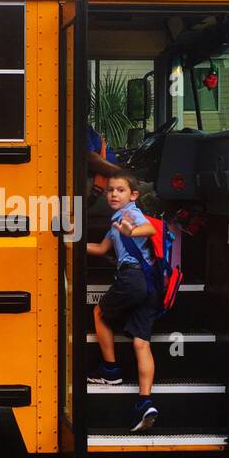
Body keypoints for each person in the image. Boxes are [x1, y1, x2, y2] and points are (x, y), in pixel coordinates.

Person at [86, 169, 161, 433]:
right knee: (141, 343)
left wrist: (132, 231)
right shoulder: (116, 222)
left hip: (132, 279)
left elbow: (150, 228)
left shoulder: (130, 214)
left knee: (99, 313)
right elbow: (100, 249)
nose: (114, 194)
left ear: (133, 195)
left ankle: (110, 369)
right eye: (110, 190)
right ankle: (145, 402)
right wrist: (69, 240)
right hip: (150, 286)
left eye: (120, 190)